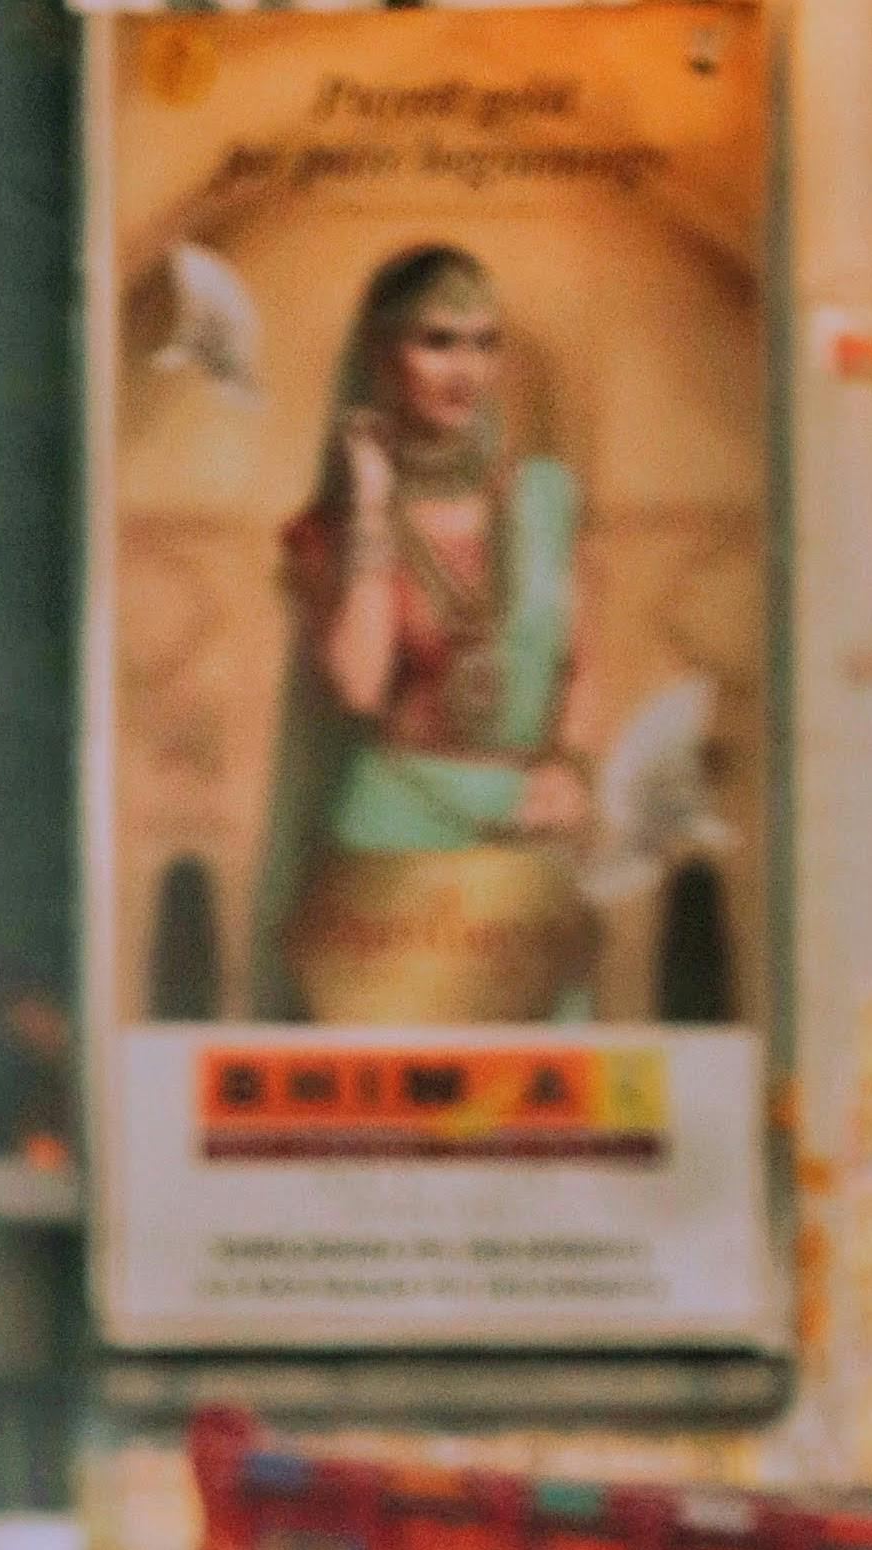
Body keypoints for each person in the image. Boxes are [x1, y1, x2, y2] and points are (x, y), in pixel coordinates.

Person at [249, 243, 601, 1023]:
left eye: (482, 343)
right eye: (436, 340)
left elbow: (580, 664)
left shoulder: (545, 498)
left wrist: (570, 766)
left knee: (541, 1104)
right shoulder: (332, 529)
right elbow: (360, 683)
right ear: (384, 355)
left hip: (524, 823)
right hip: (395, 822)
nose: (462, 368)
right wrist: (373, 502)